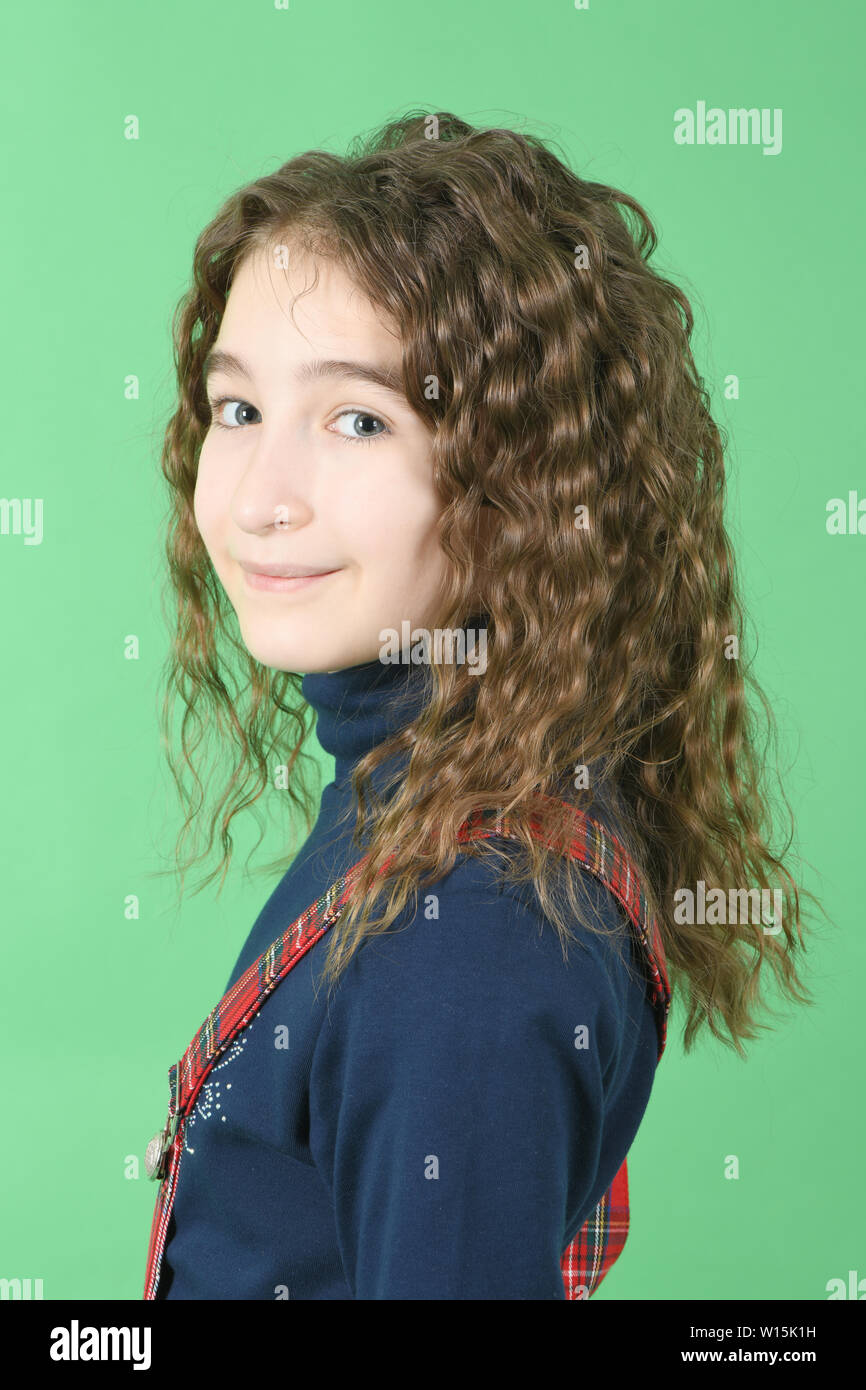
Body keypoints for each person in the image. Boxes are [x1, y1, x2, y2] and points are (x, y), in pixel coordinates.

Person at [143, 110, 814, 1300]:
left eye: (358, 419)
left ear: (522, 483)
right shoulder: (422, 783)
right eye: (237, 409)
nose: (258, 498)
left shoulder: (468, 939)